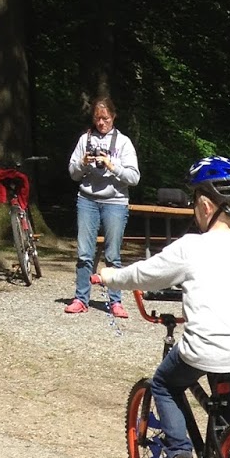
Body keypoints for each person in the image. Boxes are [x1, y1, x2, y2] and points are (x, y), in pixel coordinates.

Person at [92, 156, 230, 458]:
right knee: (224, 366)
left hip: (202, 346)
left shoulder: (191, 247)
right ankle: (227, 440)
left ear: (205, 205)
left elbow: (144, 274)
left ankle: (181, 457)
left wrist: (109, 277)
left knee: (163, 383)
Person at [65, 97, 140, 317]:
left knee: (113, 255)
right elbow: (72, 173)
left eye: (105, 118)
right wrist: (83, 163)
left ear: (113, 117)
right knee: (84, 253)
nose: (101, 123)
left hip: (115, 202)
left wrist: (112, 165)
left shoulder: (123, 143)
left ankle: (115, 301)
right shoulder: (84, 140)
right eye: (97, 118)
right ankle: (81, 298)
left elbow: (134, 177)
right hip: (87, 200)